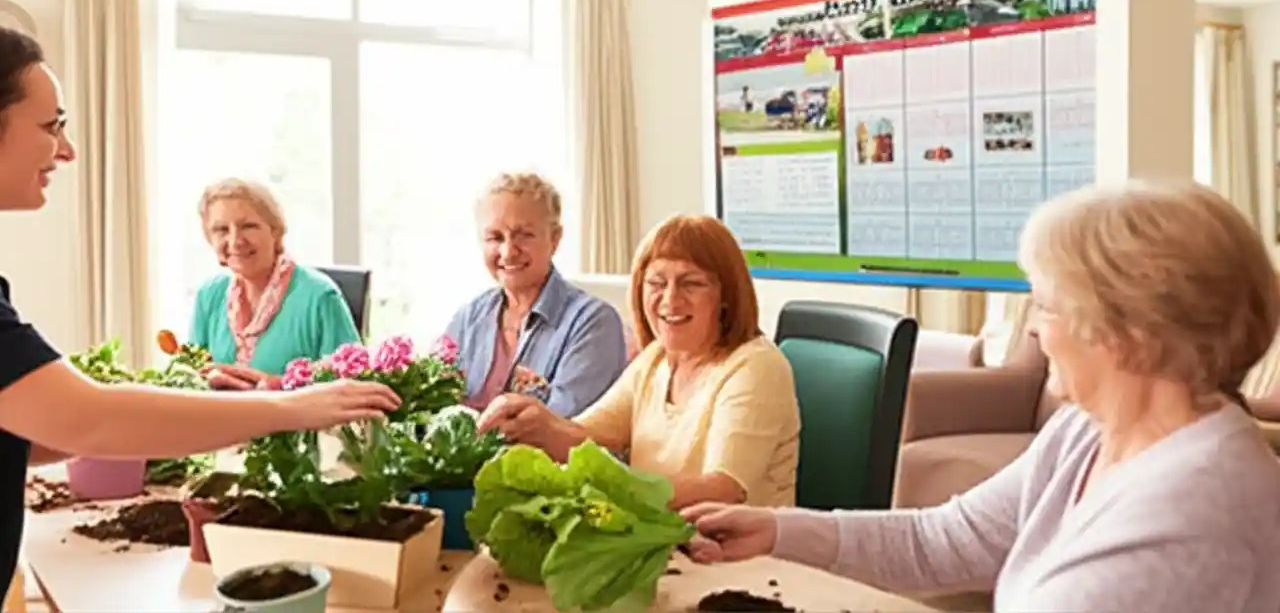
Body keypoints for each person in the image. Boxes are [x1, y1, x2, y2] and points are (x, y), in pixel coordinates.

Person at [681, 181, 1280, 613]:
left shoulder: (1196, 512)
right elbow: (946, 539)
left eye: (1046, 305)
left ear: (1128, 333)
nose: (1036, 331)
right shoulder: (1088, 431)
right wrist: (779, 531)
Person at [0, 27, 399, 602]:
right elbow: (82, 421)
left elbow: (37, 431)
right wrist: (286, 406)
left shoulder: (317, 294)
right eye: (50, 126)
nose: (68, 150)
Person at [479, 214, 800, 510]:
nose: (670, 299)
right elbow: (587, 435)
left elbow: (722, 490)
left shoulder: (757, 367)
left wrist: (610, 484)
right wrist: (534, 421)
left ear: (726, 295)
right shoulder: (657, 357)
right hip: (668, 548)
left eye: (692, 283)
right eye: (657, 283)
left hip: (743, 557)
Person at [447, 172, 627, 416]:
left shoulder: (594, 323)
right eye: (495, 237)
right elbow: (433, 404)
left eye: (524, 235)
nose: (508, 252)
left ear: (554, 239)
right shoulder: (467, 319)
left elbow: (561, 428)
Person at [189, 178, 360, 389]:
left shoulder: (320, 296)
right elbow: (190, 379)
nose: (235, 241)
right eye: (221, 230)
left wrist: (282, 386)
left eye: (248, 226)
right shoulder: (208, 295)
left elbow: (353, 384)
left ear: (275, 231)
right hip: (221, 421)